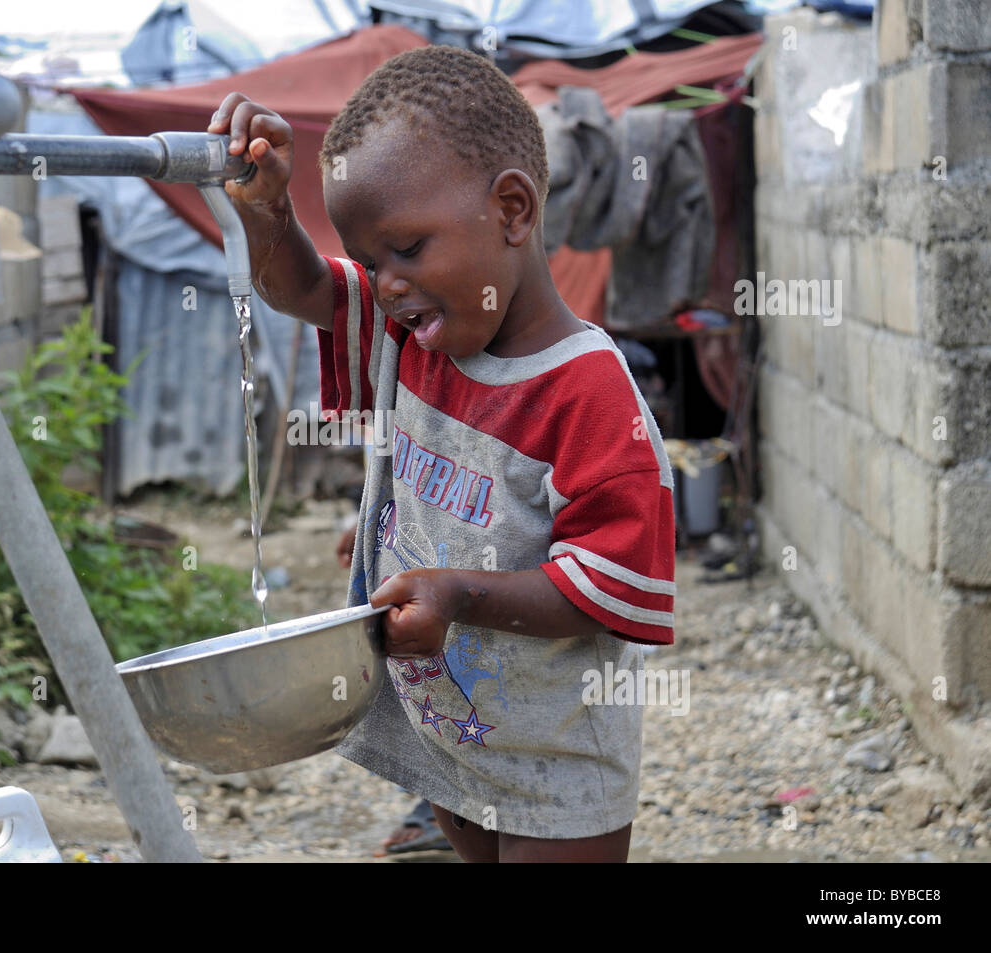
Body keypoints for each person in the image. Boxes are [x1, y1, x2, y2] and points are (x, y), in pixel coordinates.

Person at [208, 44, 675, 863]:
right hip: (452, 737)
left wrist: (454, 587)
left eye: (409, 250)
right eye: (373, 259)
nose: (385, 284)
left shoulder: (588, 394)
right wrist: (267, 212)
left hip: (555, 760)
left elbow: (611, 587)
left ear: (512, 209)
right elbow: (301, 288)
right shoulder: (414, 334)